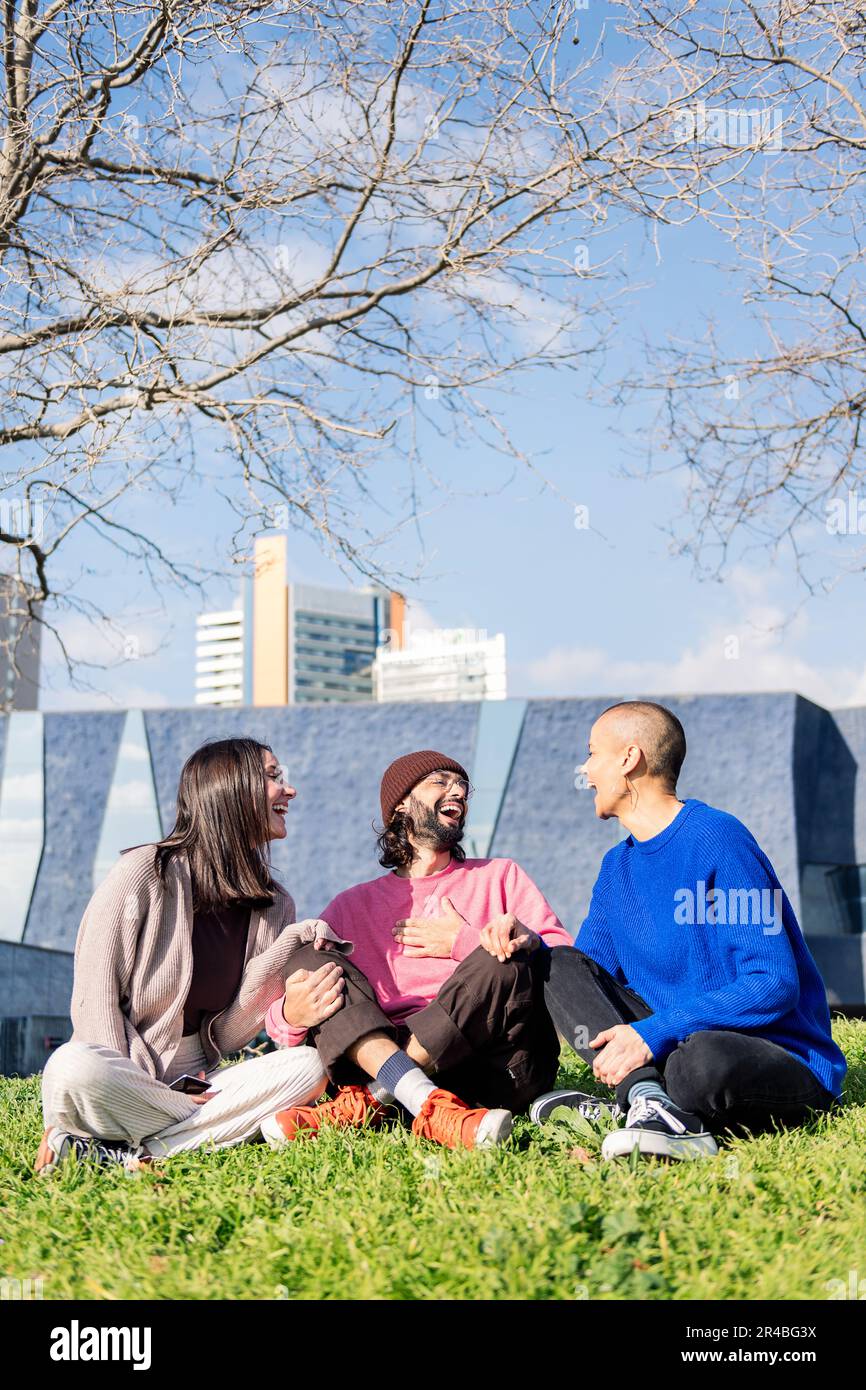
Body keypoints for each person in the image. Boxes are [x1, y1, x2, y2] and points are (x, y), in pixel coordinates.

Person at [528, 701, 847, 1161]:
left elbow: (773, 983)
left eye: (592, 753)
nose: (585, 770)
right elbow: (587, 978)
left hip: (765, 1055)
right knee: (555, 964)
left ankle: (644, 1102)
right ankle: (648, 1100)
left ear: (628, 758)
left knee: (701, 1062)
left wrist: (656, 1031)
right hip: (672, 1047)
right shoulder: (615, 867)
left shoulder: (719, 838)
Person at [35, 738, 346, 1173]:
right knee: (71, 1065)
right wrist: (151, 1091)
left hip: (198, 1083)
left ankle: (116, 1155)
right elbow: (93, 997)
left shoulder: (276, 905)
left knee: (308, 1066)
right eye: (274, 776)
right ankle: (148, 1137)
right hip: (118, 1070)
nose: (289, 791)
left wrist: (291, 981)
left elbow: (230, 1032)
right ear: (231, 789)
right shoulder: (143, 873)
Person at [262, 749, 573, 1151]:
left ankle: (380, 1094)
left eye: (462, 786)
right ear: (401, 805)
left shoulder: (501, 875)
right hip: (382, 1044)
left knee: (506, 953)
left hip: (491, 1064)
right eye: (440, 782)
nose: (458, 791)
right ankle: (429, 1104)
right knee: (308, 954)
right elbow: (277, 1014)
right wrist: (290, 1015)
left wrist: (464, 941)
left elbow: (562, 962)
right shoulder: (352, 905)